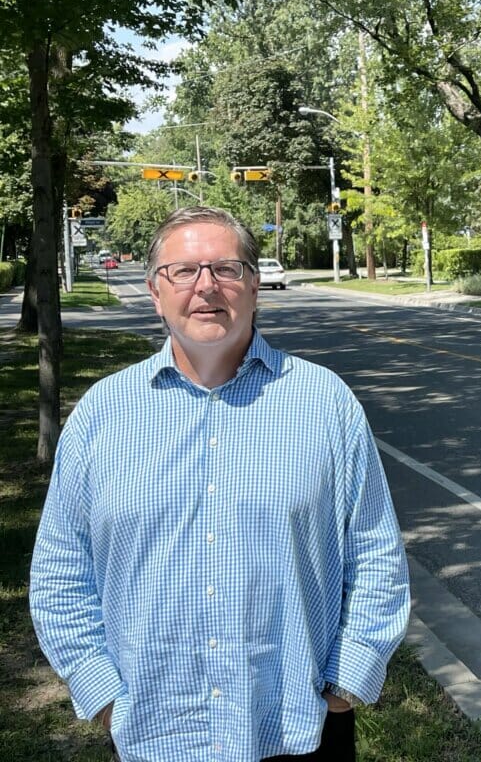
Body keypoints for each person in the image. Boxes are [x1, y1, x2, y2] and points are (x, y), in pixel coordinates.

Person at [30, 206, 410, 761]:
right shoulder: (101, 414)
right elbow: (61, 570)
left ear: (254, 286)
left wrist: (348, 679)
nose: (206, 286)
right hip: (155, 732)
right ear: (155, 292)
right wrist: (102, 693)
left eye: (227, 269)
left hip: (298, 729)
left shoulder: (325, 403)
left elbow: (375, 554)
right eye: (183, 271)